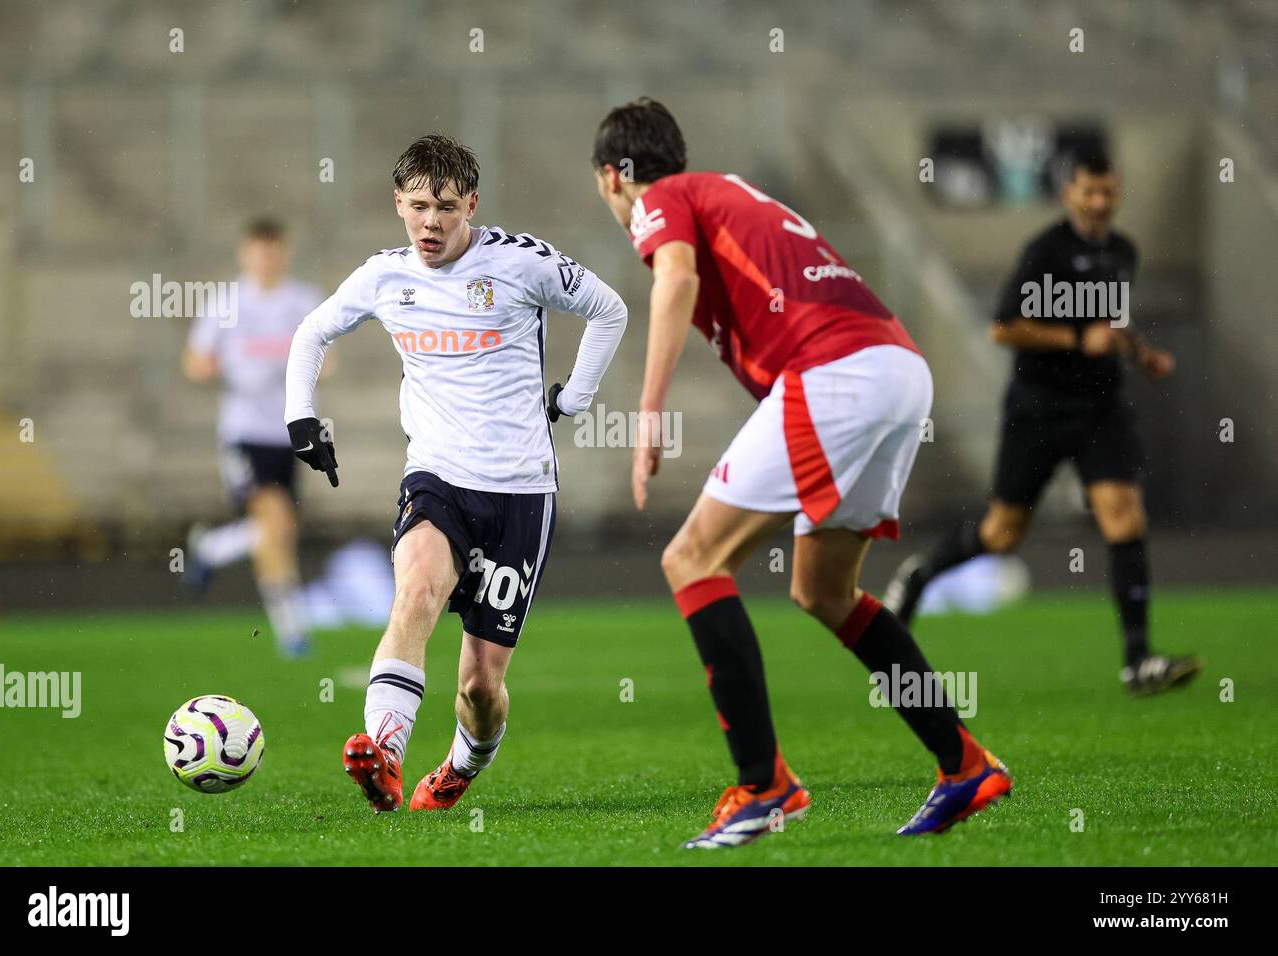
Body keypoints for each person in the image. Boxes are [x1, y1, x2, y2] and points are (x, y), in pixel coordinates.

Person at [592, 98, 1011, 848]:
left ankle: (763, 787)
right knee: (822, 590)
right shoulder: (728, 193)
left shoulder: (663, 200)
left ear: (609, 179)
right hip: (897, 368)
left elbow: (677, 281)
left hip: (837, 371)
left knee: (691, 559)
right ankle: (965, 764)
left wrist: (647, 411)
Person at [284, 134, 627, 812]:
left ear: (472, 203)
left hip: (521, 490)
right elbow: (312, 331)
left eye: (444, 207)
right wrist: (301, 419)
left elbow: (608, 309)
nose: (430, 223)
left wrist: (572, 400)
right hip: (436, 475)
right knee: (414, 594)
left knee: (479, 684)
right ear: (398, 205)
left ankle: (462, 765)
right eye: (416, 207)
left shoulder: (521, 263)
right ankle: (384, 753)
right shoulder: (385, 276)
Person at [884, 149, 1199, 697]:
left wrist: (1140, 352)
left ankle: (1137, 660)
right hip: (1039, 409)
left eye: (1108, 192)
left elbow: (1109, 323)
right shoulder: (1046, 252)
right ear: (1068, 194)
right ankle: (918, 575)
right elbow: (1003, 329)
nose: (1099, 203)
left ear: (1118, 192)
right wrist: (1078, 341)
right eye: (1088, 192)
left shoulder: (1123, 251)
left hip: (1101, 407)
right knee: (1001, 535)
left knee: (1123, 519)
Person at [183, 218, 322, 657]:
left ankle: (214, 547)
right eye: (260, 251)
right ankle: (292, 631)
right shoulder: (227, 302)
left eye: (274, 250)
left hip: (289, 431)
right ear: (247, 254)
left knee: (277, 535)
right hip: (243, 432)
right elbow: (194, 360)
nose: (267, 259)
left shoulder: (304, 300)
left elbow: (326, 354)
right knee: (274, 520)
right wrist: (212, 368)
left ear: (285, 253)